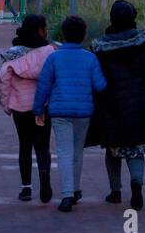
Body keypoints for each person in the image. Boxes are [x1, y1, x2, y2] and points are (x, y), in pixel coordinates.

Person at [91, 0, 145, 212]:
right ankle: (137, 183)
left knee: (113, 148)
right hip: (141, 102)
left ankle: (115, 191)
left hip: (112, 104)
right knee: (137, 147)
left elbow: (97, 77)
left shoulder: (101, 47)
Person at [32, 15, 107, 213]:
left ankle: (66, 195)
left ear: (63, 35)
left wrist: (38, 109)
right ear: (83, 36)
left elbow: (43, 86)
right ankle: (75, 189)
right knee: (77, 151)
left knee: (64, 152)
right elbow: (100, 85)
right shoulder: (90, 58)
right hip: (83, 111)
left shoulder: (54, 57)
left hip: (59, 111)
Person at [0, 14, 55, 203]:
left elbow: (3, 80)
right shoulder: (49, 52)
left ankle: (26, 188)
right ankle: (45, 183)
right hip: (43, 108)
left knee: (25, 145)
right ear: (40, 30)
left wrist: (6, 104)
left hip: (20, 107)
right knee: (43, 146)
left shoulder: (14, 54)